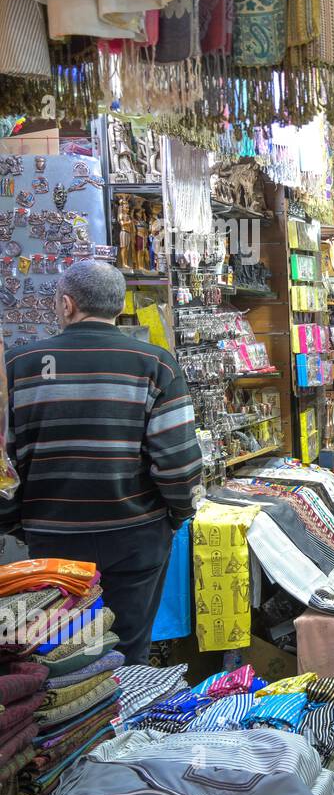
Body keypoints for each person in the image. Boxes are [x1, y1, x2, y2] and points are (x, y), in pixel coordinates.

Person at [0, 260, 204, 665]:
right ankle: (126, 719)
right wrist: (176, 515)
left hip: (52, 541)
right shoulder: (155, 365)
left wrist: (15, 523)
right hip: (136, 536)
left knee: (58, 653)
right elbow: (180, 464)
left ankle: (78, 724)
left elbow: (4, 465)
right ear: (120, 305)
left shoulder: (19, 367)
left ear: (67, 304)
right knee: (127, 649)